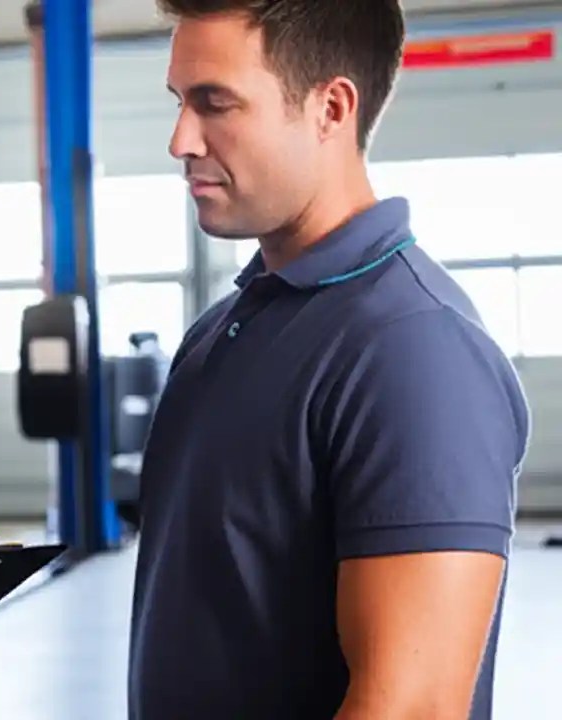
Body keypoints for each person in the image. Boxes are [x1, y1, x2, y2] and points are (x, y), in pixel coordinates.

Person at [129, 2, 532, 719]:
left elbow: (412, 707)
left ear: (331, 108)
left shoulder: (412, 349)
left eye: (214, 103)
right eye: (179, 102)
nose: (180, 140)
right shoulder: (224, 328)